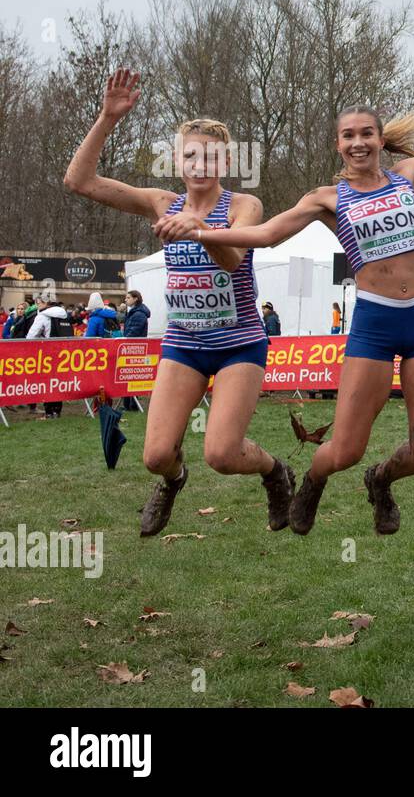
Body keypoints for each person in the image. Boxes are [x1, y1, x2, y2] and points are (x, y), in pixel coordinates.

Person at [187, 47, 414, 535]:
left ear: (379, 140)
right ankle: (310, 479)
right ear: (338, 144)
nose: (358, 142)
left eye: (366, 134)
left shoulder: (407, 175)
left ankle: (382, 480)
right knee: (345, 449)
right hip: (374, 325)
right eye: (348, 136)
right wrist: (203, 231)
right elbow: (265, 235)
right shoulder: (327, 199)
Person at [65, 68, 296, 536]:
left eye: (209, 156)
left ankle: (275, 472)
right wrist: (108, 118)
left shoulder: (242, 207)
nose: (198, 164)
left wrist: (199, 228)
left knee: (223, 454)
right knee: (155, 457)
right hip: (184, 344)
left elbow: (233, 260)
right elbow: (79, 181)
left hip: (239, 344)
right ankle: (174, 481)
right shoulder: (160, 202)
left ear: (224, 162)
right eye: (190, 155)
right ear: (177, 159)